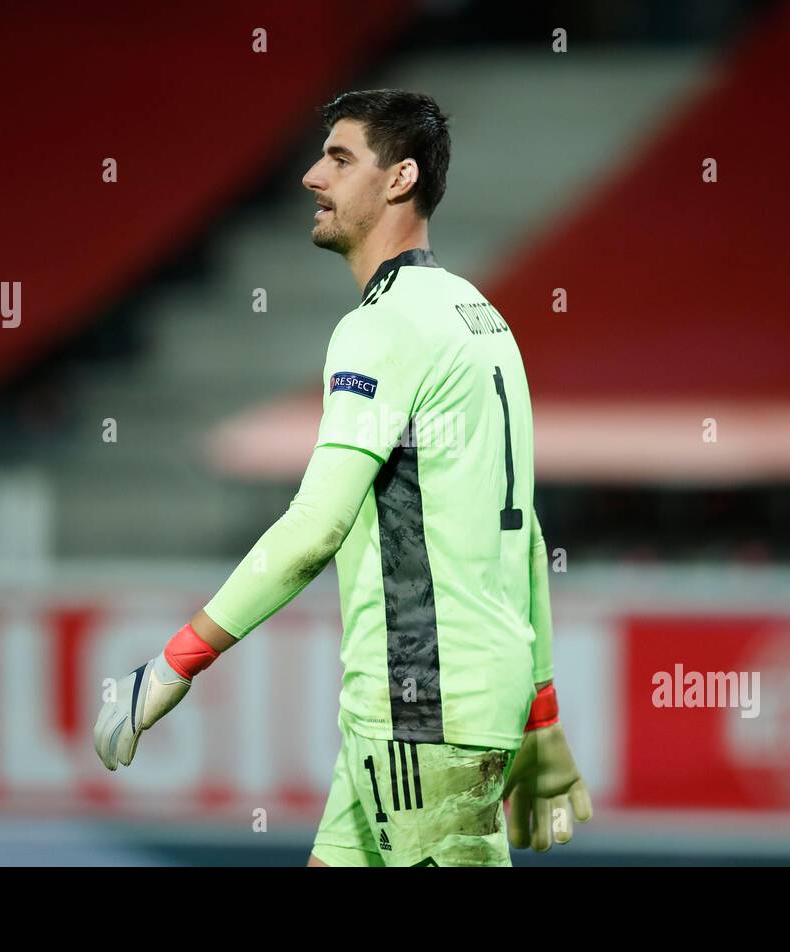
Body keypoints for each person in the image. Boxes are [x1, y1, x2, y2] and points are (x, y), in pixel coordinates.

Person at [94, 89, 591, 867]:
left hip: (422, 714)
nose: (310, 177)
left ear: (398, 180)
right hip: (427, 708)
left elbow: (313, 528)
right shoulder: (481, 315)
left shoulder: (379, 329)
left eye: (339, 158)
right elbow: (525, 533)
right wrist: (543, 712)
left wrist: (173, 664)